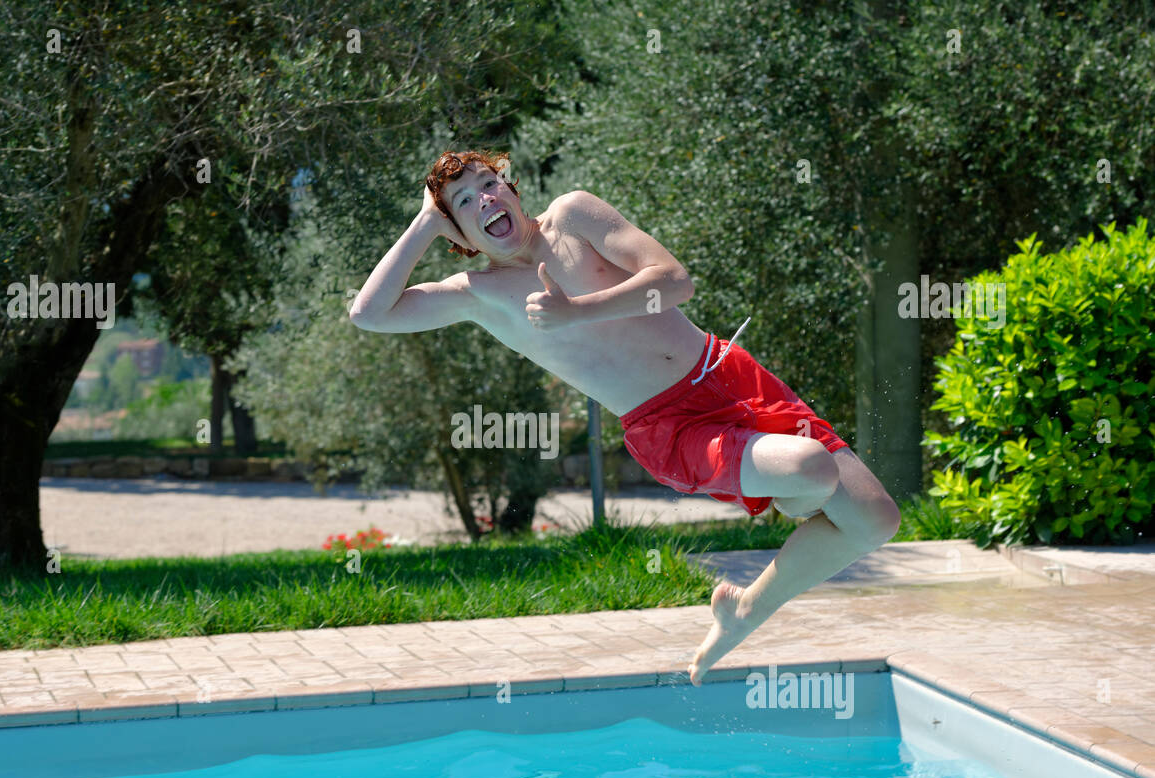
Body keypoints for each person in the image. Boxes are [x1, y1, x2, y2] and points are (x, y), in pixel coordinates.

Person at [350, 150, 900, 685]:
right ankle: (789, 497)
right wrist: (425, 220)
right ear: (457, 236)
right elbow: (369, 314)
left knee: (876, 519)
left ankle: (748, 611)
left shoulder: (573, 215)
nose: (484, 199)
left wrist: (576, 311)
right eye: (463, 202)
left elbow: (676, 281)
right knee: (811, 471)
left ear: (511, 187)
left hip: (727, 371)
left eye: (488, 182)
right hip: (670, 426)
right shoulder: (479, 294)